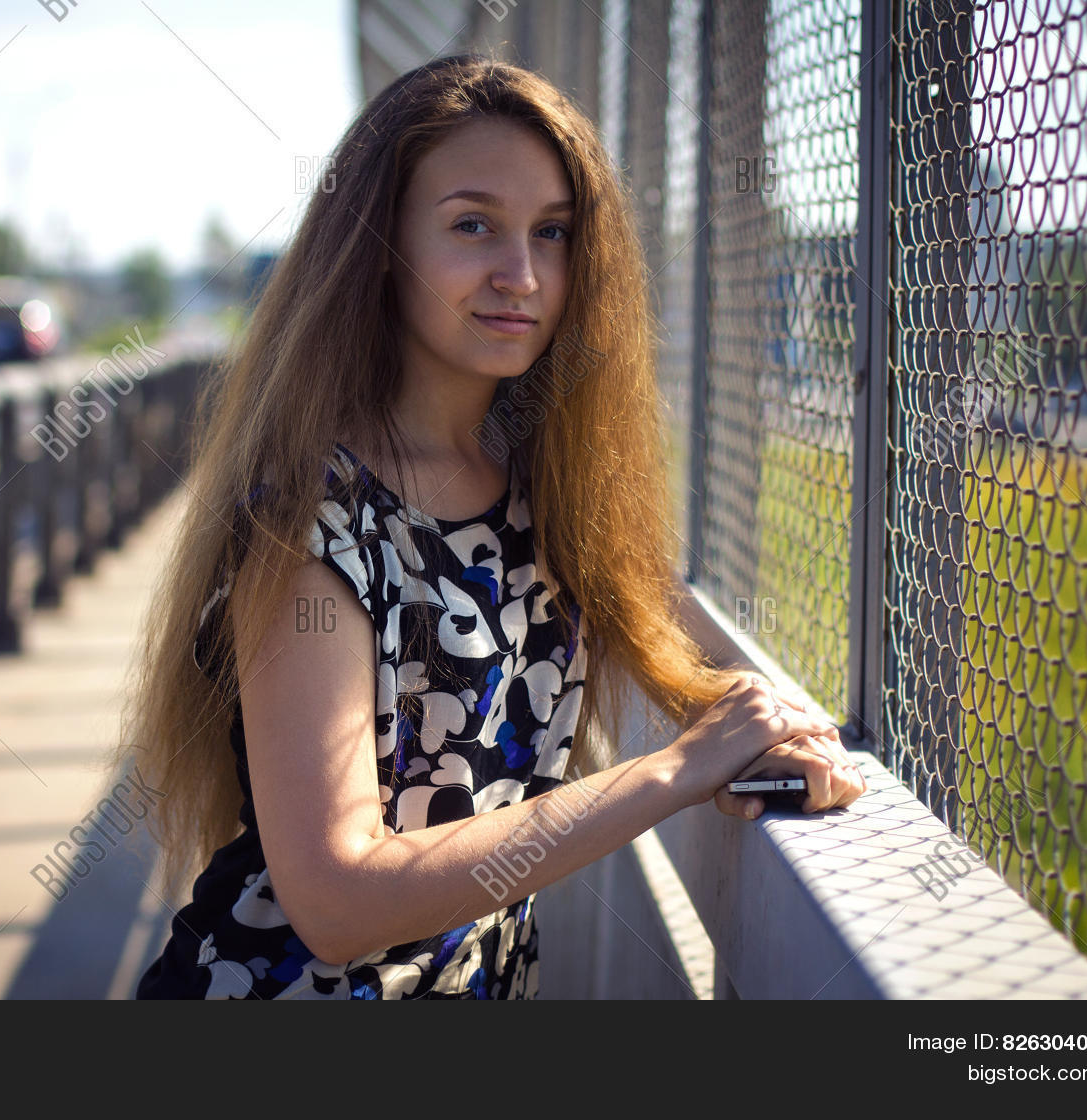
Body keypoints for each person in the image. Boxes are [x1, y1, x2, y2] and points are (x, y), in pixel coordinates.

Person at [121, 53, 865, 999]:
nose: (521, 275)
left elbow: (673, 666)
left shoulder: (546, 488)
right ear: (380, 241)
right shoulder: (312, 520)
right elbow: (337, 898)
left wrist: (774, 739)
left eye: (552, 233)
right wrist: (674, 771)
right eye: (473, 225)